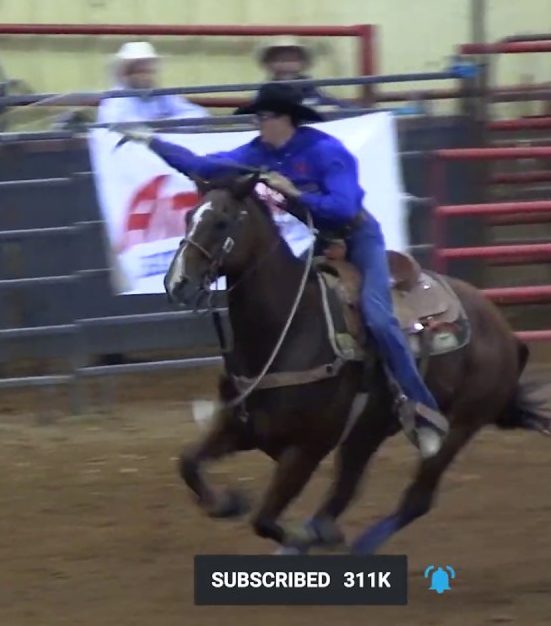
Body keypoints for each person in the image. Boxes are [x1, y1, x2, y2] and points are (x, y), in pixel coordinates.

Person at [117, 82, 447, 458]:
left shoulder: (326, 151)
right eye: (258, 116)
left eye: (266, 116)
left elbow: (343, 207)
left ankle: (422, 410)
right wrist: (152, 142)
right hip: (321, 240)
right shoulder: (257, 153)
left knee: (378, 317)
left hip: (359, 238)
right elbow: (203, 165)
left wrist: (294, 194)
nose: (259, 123)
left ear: (287, 118)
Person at [96, 41, 209, 127]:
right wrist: (168, 124)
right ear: (127, 73)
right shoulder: (116, 100)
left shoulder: (161, 95)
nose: (147, 77)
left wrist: (162, 124)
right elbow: (129, 128)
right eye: (141, 71)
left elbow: (198, 114)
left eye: (150, 71)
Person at [255, 36, 352, 109]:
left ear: (304, 63)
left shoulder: (310, 88)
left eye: (292, 60)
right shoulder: (265, 91)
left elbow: (341, 107)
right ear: (268, 64)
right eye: (278, 60)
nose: (285, 65)